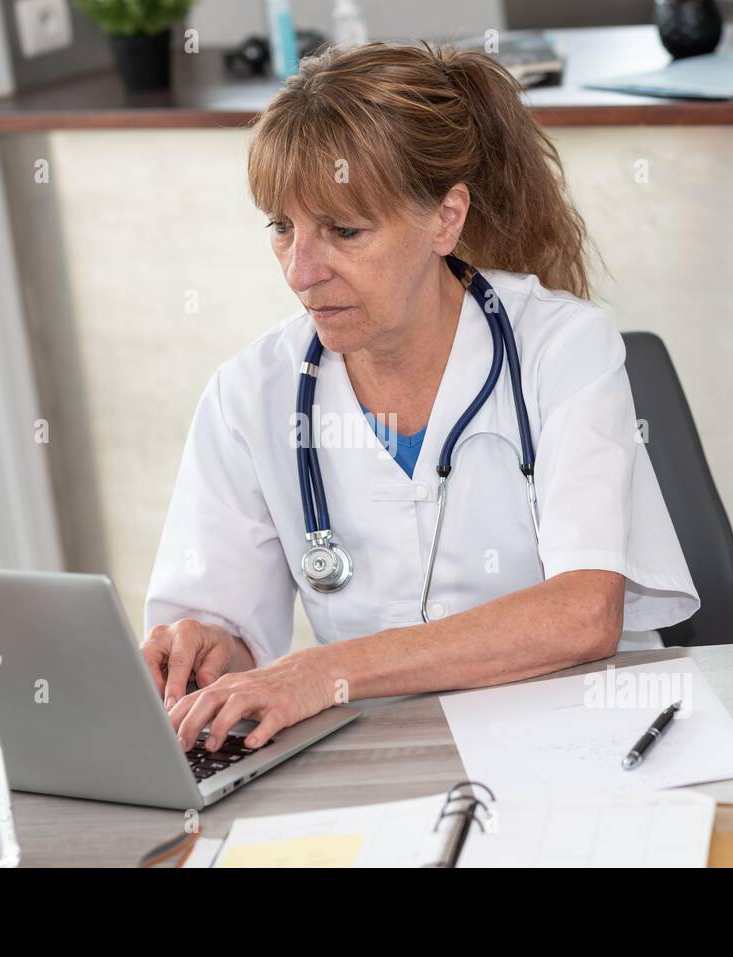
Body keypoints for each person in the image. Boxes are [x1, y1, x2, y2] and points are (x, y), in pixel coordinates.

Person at [143, 41, 699, 755]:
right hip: (391, 761)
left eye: (344, 231)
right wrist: (207, 650)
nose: (301, 272)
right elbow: (229, 636)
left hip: (599, 738)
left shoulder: (564, 348)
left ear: (445, 219)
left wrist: (327, 670)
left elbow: (583, 614)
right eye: (282, 228)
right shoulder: (250, 395)